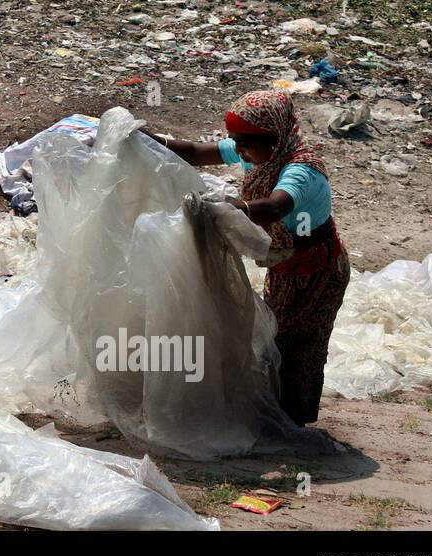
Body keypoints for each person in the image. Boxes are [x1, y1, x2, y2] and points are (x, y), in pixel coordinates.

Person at [145, 90, 350, 426]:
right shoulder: (258, 153)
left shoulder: (302, 169)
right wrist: (147, 139)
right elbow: (196, 152)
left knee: (297, 344)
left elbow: (276, 207)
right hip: (285, 265)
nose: (238, 150)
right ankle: (278, 416)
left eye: (245, 143)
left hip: (318, 270)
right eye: (234, 141)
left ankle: (290, 422)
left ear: (274, 137)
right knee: (276, 339)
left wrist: (222, 209)